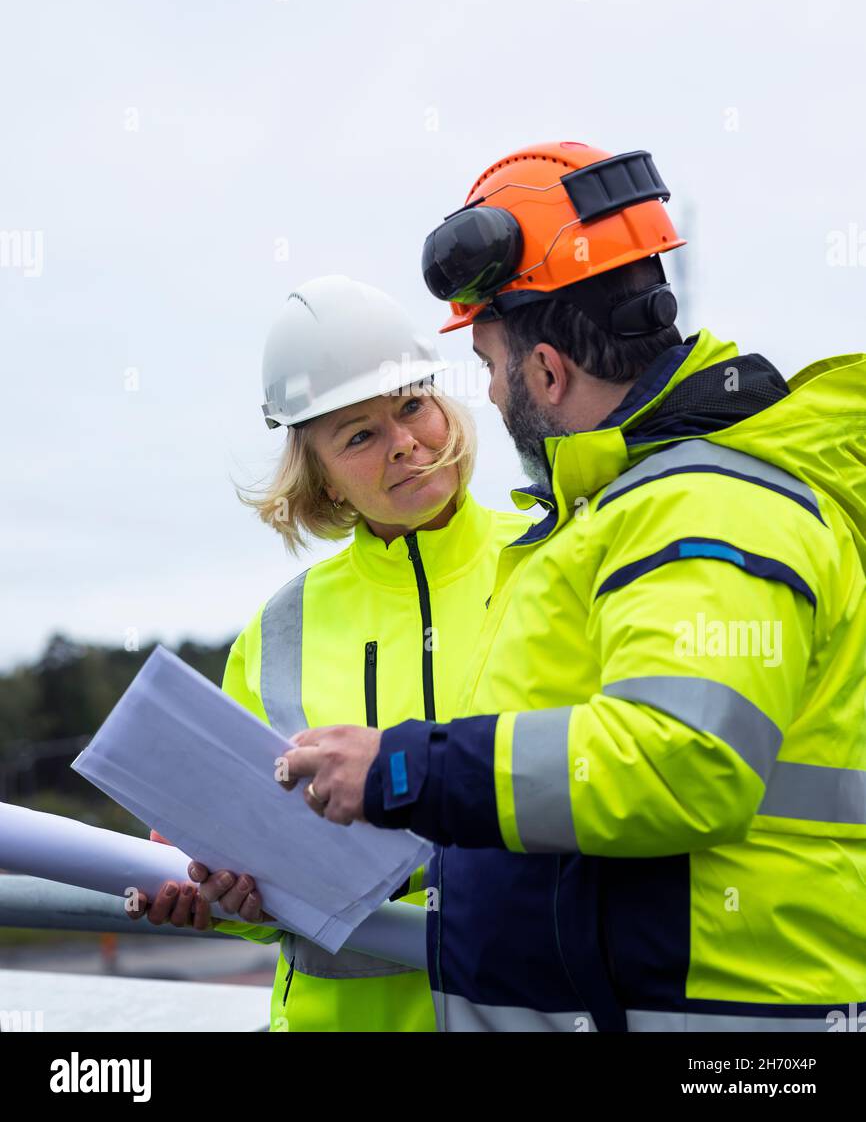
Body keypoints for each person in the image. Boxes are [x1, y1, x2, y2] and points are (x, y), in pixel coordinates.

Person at [281, 141, 866, 1032]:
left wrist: (404, 767)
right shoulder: (627, 508)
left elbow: (677, 762)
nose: (490, 393)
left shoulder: (704, 503)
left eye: (490, 365)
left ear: (548, 370)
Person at [126, 274, 527, 1032]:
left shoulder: (550, 561)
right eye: (359, 436)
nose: (404, 443)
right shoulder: (278, 632)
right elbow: (253, 880)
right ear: (324, 480)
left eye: (411, 406)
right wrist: (222, 896)